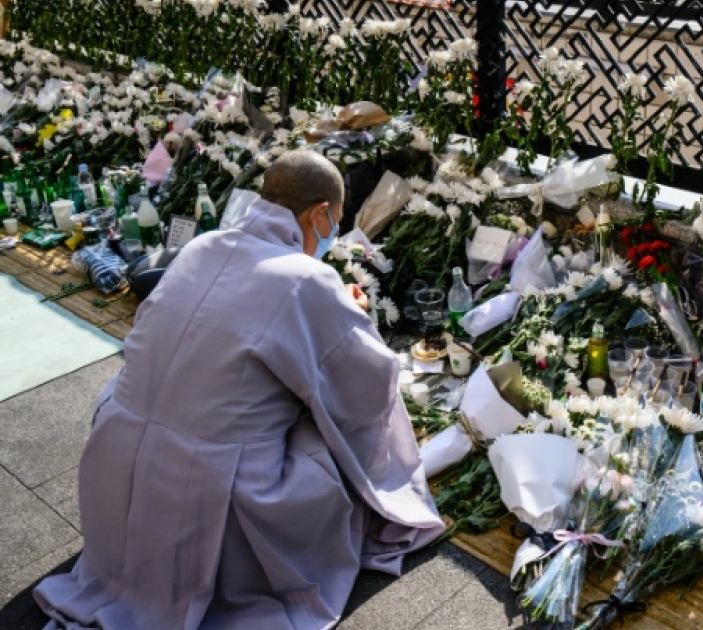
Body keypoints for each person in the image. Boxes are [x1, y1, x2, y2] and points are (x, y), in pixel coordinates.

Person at [34, 150, 445, 629]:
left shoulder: (202, 246)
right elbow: (366, 385)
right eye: (335, 219)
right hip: (210, 493)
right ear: (319, 214)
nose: (333, 231)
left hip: (114, 460)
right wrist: (352, 317)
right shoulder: (307, 279)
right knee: (329, 427)